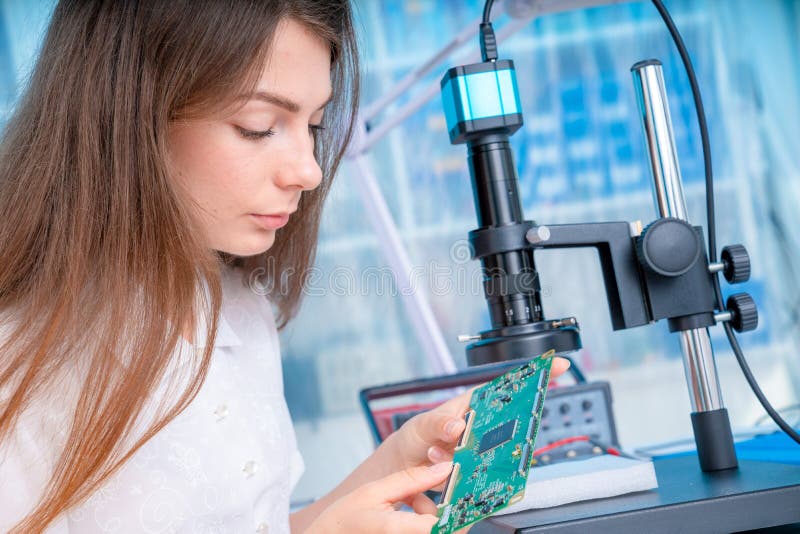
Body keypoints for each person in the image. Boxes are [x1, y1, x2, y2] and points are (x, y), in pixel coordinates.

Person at [0, 1, 570, 532]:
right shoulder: (19, 355)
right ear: (126, 116)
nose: (309, 170)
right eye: (258, 125)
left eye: (315, 126)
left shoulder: (237, 308)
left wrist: (399, 460)